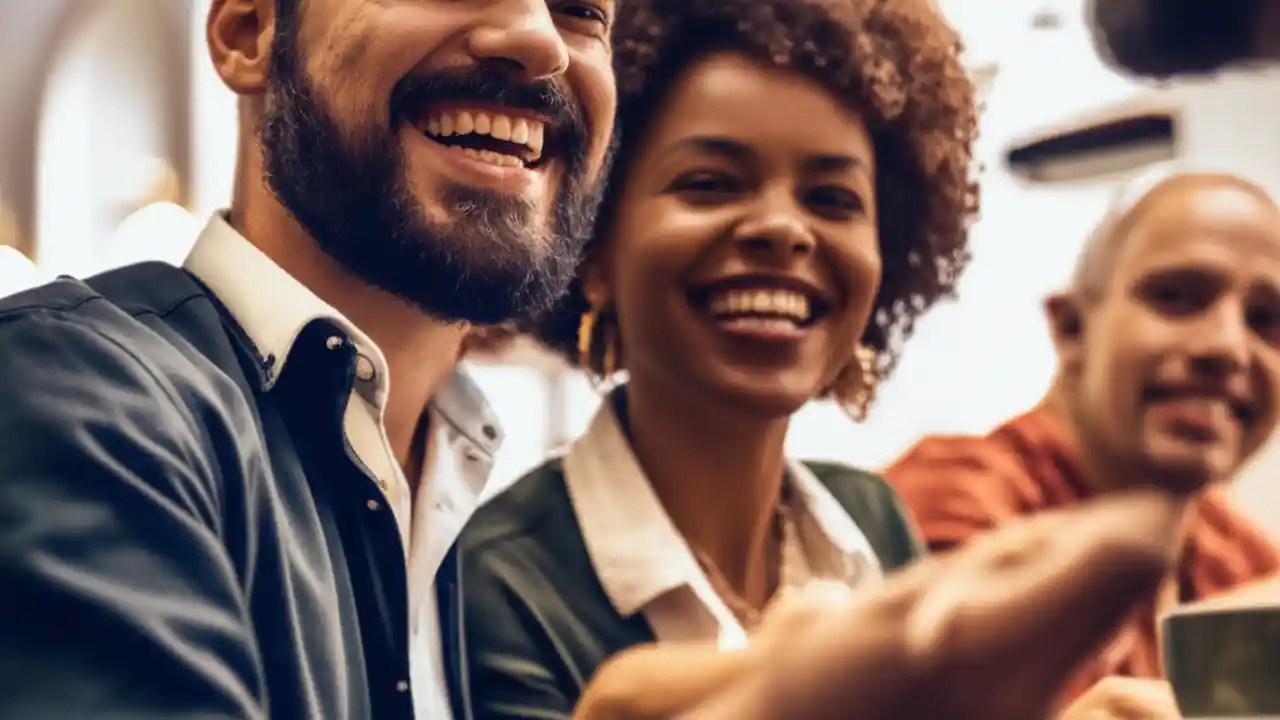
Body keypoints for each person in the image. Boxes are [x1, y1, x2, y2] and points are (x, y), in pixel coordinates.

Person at [0, 0, 617, 718]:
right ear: (250, 33)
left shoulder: (452, 489)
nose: (540, 41)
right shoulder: (74, 395)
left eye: (581, 11)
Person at [457, 0, 979, 716]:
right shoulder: (500, 583)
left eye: (832, 197)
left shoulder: (874, 521)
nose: (782, 229)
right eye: (710, 183)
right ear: (593, 249)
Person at [886, 167, 1280, 717]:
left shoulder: (1230, 549)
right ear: (1071, 327)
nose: (1228, 347)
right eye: (1176, 298)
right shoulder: (956, 498)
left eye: (1269, 322)